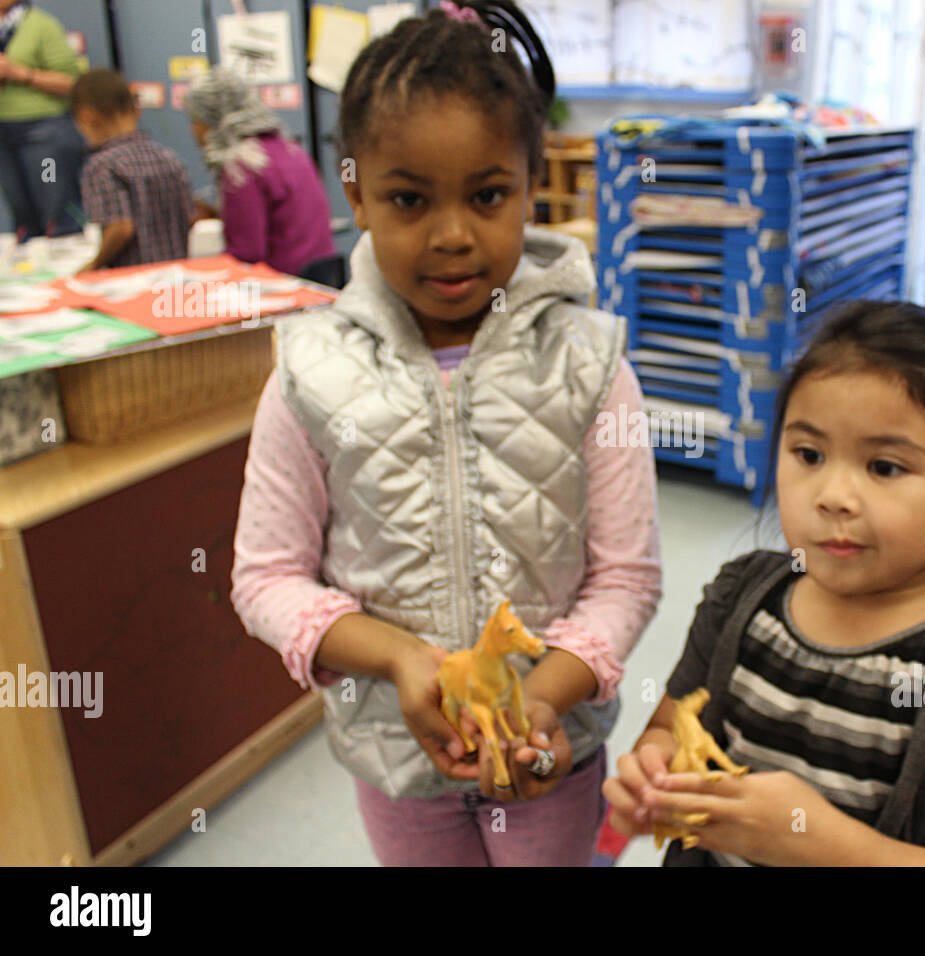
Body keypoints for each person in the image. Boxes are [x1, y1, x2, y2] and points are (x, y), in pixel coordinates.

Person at [230, 1, 662, 867]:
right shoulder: (309, 372)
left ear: (532, 184)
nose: (454, 234)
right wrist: (396, 659)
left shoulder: (592, 362)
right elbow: (264, 576)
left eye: (489, 194)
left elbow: (625, 578)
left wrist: (545, 697)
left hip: (553, 754)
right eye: (409, 199)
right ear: (355, 192)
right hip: (396, 765)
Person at [605, 301, 925, 866]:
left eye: (885, 467)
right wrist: (653, 776)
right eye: (809, 455)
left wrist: (825, 848)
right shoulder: (742, 596)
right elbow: (672, 726)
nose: (832, 495)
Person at [184, 68, 335, 276]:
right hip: (319, 278)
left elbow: (247, 253)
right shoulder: (290, 150)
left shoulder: (242, 166)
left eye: (194, 121)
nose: (193, 131)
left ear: (211, 120)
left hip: (281, 284)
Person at [69, 69, 191, 271]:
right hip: (176, 276)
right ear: (136, 110)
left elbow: (121, 227)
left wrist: (94, 265)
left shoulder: (101, 166)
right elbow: (190, 216)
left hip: (131, 279)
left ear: (86, 117)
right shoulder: (168, 157)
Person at [0, 0, 85, 239]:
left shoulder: (41, 25)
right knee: (22, 214)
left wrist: (19, 73)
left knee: (55, 212)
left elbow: (71, 82)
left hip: (43, 130)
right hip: (4, 133)